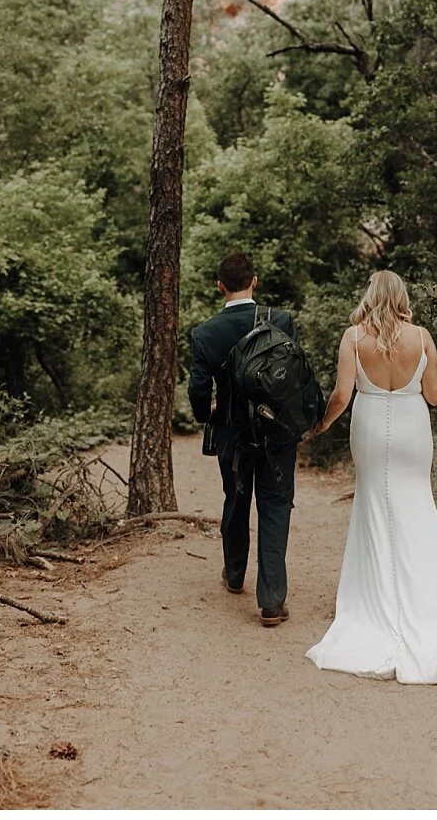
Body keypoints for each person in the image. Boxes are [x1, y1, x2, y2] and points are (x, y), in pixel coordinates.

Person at [303, 270, 437, 685]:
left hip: (371, 428)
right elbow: (434, 396)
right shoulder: (422, 337)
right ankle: (426, 609)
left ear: (369, 295)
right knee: (416, 508)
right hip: (414, 430)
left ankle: (376, 607)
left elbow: (343, 395)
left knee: (375, 506)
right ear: (402, 297)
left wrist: (322, 425)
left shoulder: (353, 337)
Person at [188, 252, 299, 627]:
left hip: (232, 433)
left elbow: (199, 390)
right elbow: (294, 378)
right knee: (274, 506)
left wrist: (209, 416)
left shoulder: (205, 334)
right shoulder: (281, 320)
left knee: (235, 500)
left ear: (220, 286)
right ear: (255, 280)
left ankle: (235, 575)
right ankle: (271, 601)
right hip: (277, 434)